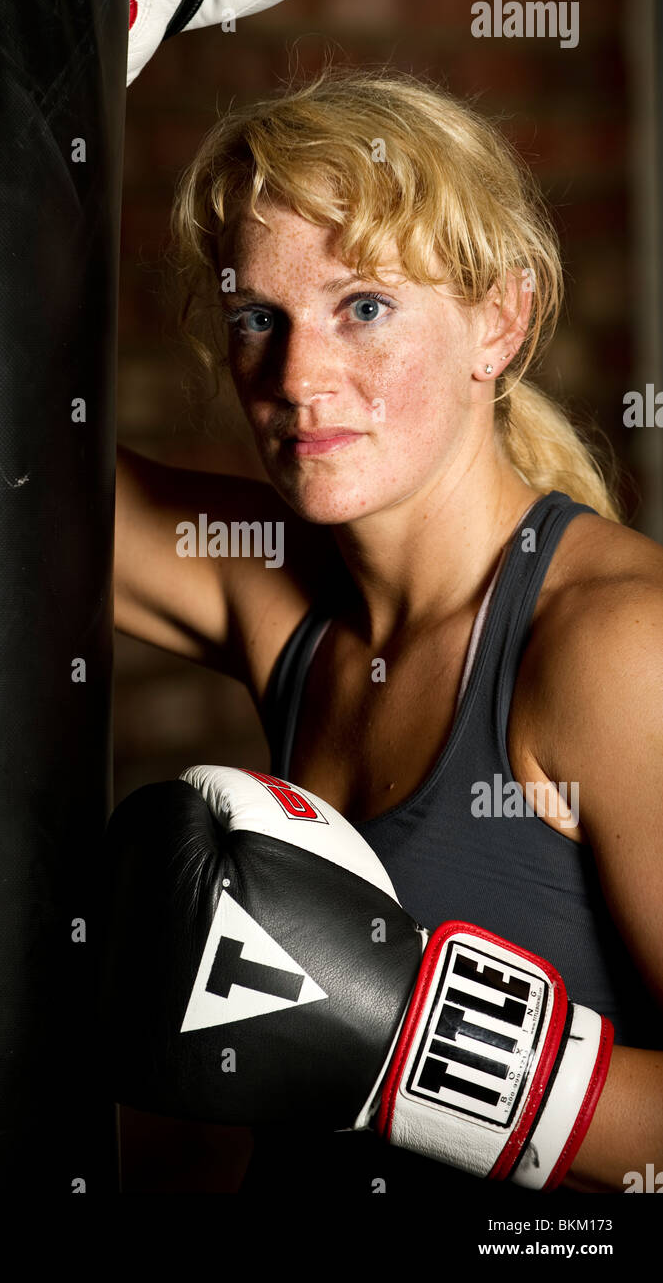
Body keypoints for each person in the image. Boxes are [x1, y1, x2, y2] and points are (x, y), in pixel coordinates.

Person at [113, 68, 663, 1195]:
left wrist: (415, 1048)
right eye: (258, 319)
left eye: (364, 307)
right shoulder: (286, 600)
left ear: (498, 321)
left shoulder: (616, 647)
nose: (300, 377)